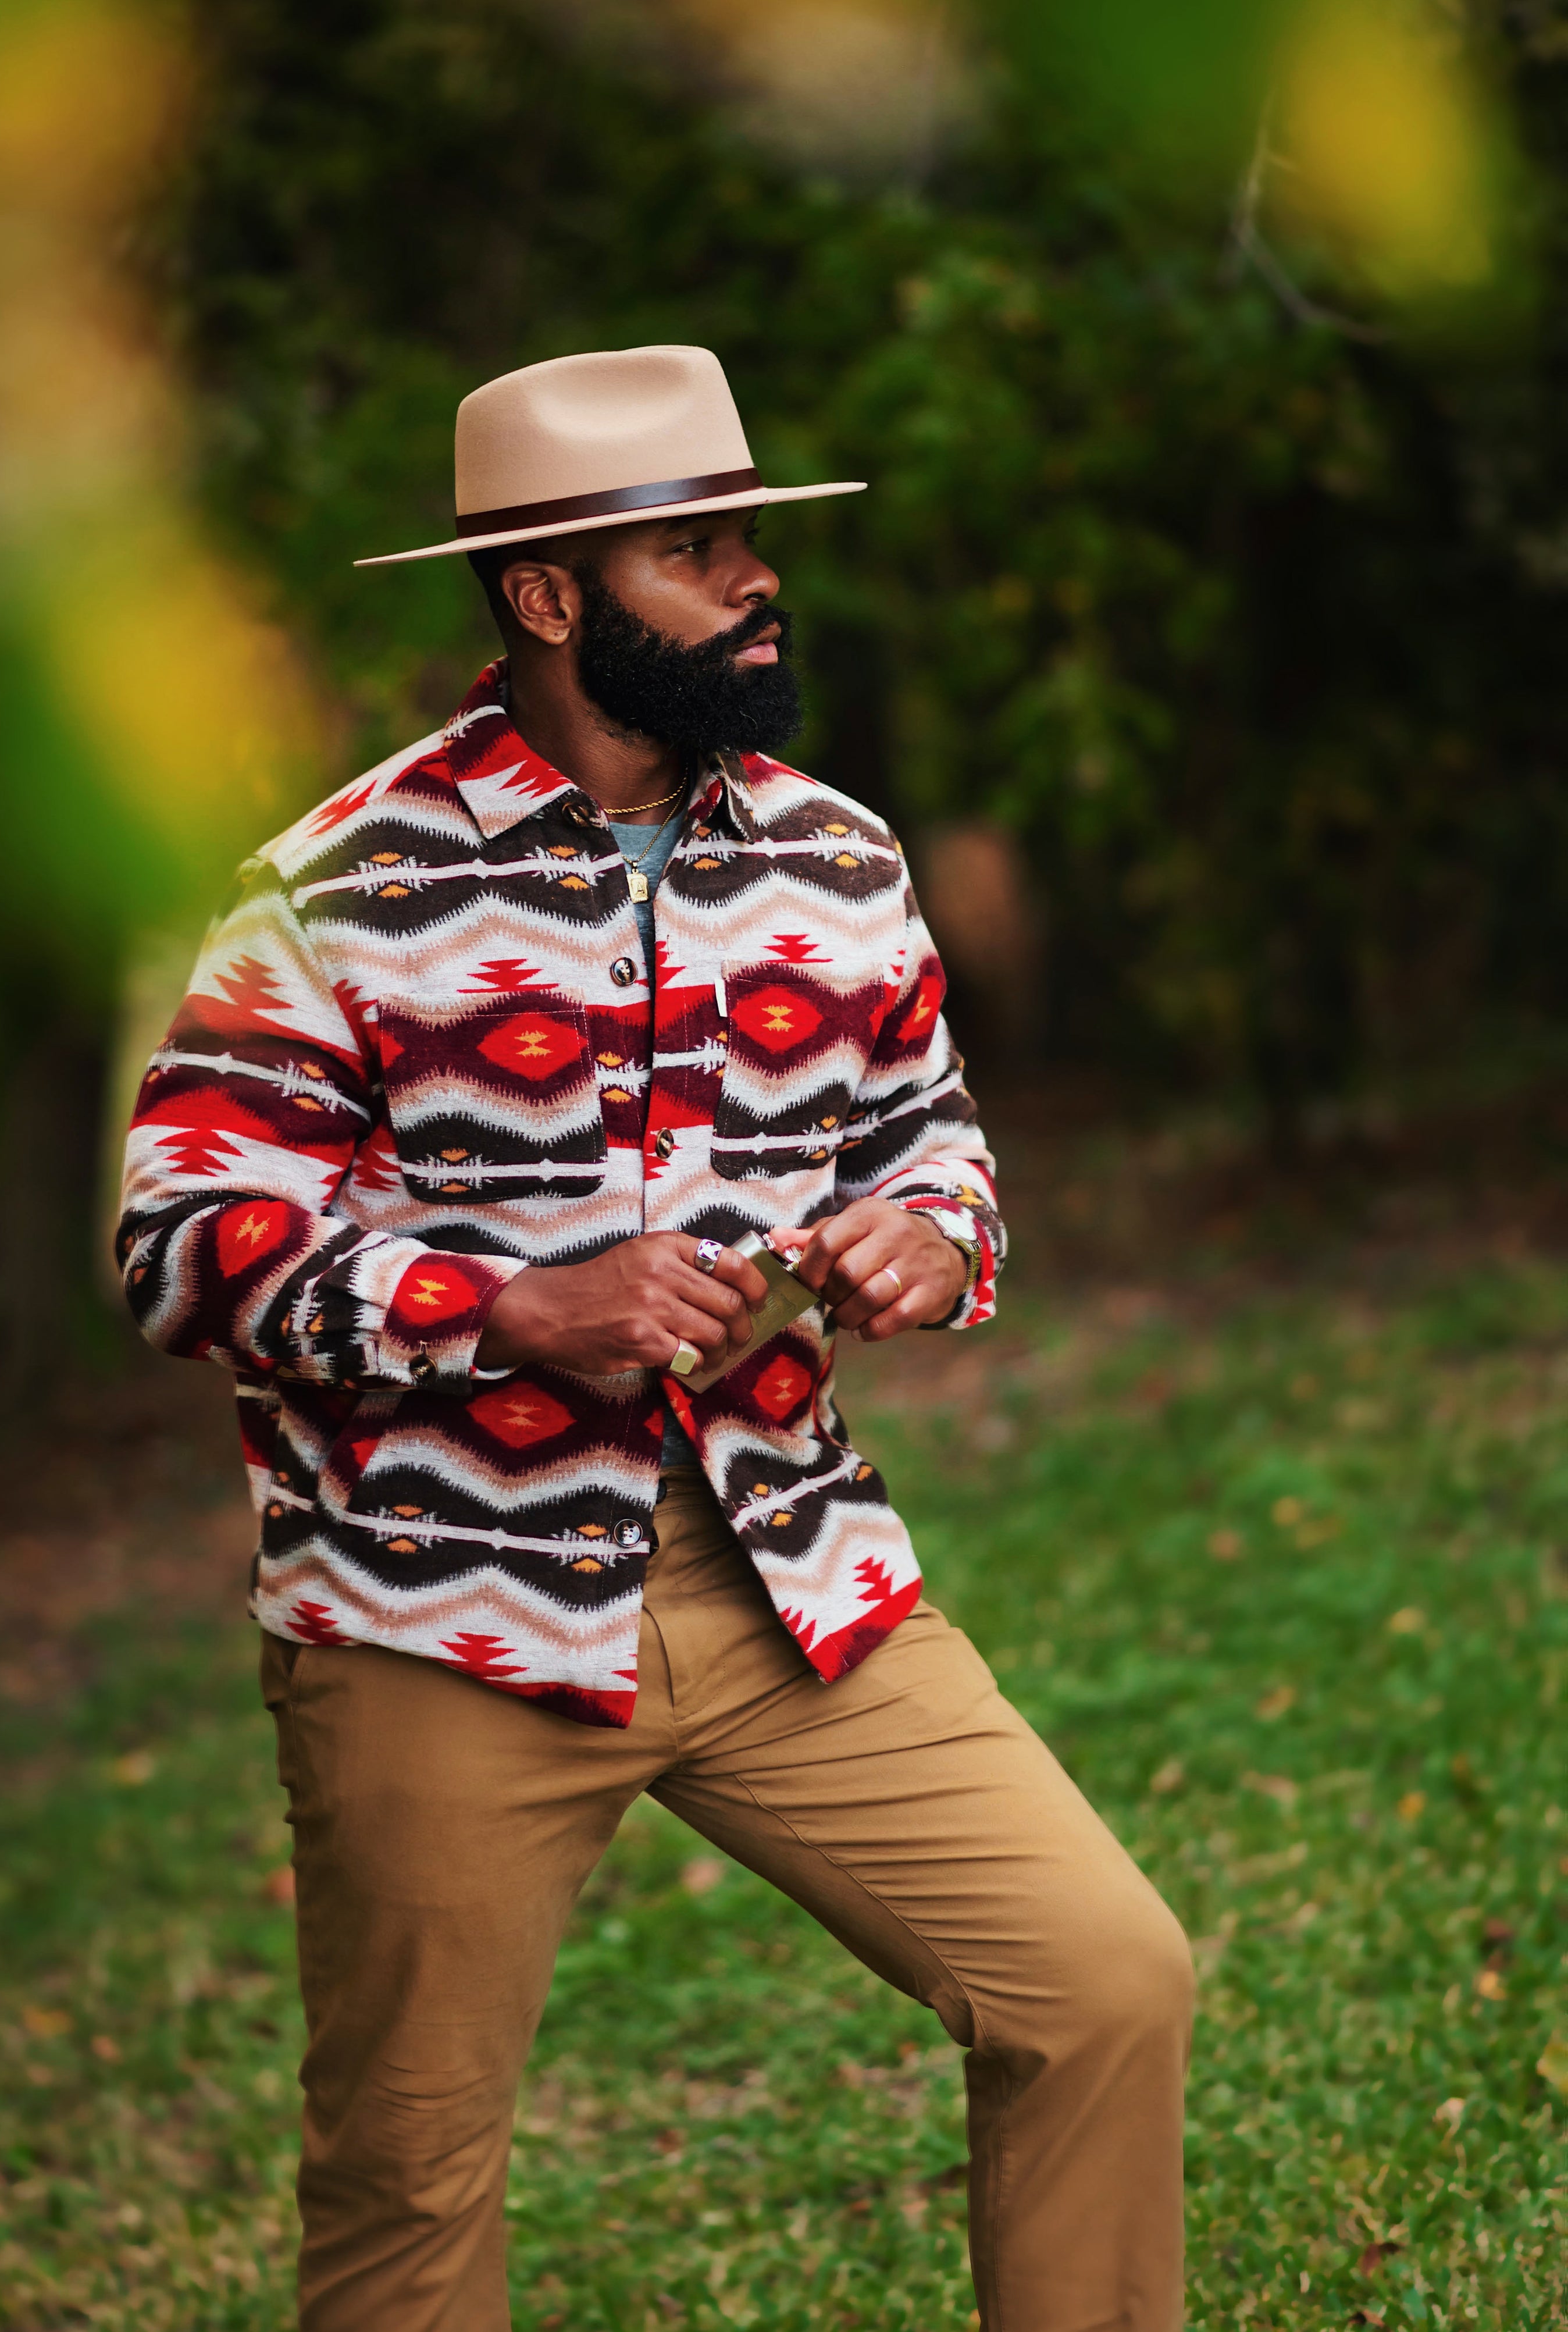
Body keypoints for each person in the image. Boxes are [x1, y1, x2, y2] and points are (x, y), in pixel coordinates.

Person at [117, 344, 1193, 2332]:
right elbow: (180, 1241)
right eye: (699, 553)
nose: (755, 583)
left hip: (793, 1576)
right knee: (407, 2175)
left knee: (1103, 1977)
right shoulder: (331, 887)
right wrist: (508, 1303)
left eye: (750, 541)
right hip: (446, 1614)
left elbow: (937, 1144)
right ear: (548, 597)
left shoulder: (841, 859)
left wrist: (927, 1242)